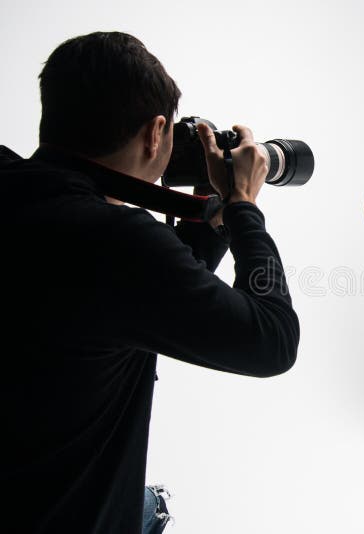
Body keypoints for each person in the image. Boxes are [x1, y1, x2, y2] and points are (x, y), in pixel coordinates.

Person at [0, 32, 300, 533]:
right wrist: (243, 207)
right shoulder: (118, 243)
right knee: (148, 510)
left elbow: (152, 293)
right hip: (60, 515)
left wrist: (205, 212)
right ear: (155, 132)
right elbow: (273, 339)